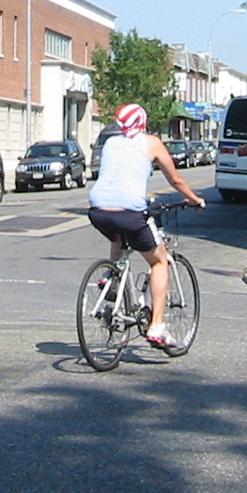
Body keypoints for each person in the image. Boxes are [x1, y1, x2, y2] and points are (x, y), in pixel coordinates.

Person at [87, 103, 205, 349]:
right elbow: (175, 178)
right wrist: (195, 199)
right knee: (159, 261)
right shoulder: (151, 142)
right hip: (130, 212)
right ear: (143, 122)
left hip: (97, 210)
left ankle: (112, 276)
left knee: (117, 235)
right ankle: (157, 326)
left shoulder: (110, 143)